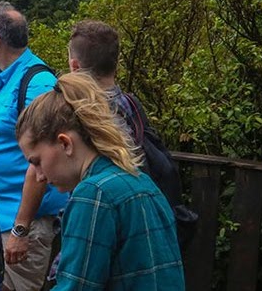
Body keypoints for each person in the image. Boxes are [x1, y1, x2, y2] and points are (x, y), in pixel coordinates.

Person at [16, 72, 185, 290]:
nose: (38, 175)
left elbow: (76, 286)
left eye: (37, 161)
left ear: (65, 144)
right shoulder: (142, 181)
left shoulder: (93, 195)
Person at [67, 19, 196, 246]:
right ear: (115, 65)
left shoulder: (85, 117)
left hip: (111, 228)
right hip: (150, 220)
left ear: (75, 67)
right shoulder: (131, 104)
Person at [0, 2, 68, 290]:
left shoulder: (37, 82)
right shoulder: (6, 78)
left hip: (21, 222)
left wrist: (20, 228)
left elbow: (45, 160)